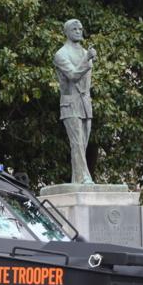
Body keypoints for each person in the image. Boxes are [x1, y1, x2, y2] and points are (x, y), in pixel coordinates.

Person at [53, 19, 96, 184]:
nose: (78, 31)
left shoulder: (86, 52)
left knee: (82, 145)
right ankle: (85, 177)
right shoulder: (61, 54)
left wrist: (87, 57)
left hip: (85, 103)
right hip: (70, 103)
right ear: (67, 32)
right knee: (77, 143)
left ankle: (77, 178)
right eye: (74, 29)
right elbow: (72, 75)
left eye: (80, 28)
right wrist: (87, 59)